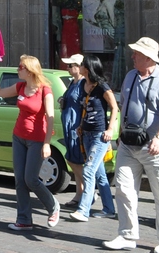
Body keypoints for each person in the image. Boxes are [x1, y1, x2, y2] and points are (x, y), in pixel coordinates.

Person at [104, 36, 159, 253]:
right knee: (124, 189)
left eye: (136, 53)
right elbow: (123, 107)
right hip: (129, 144)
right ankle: (127, 235)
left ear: (148, 58)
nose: (132, 56)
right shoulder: (130, 76)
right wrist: (119, 133)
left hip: (157, 147)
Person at [0, 55, 61, 231]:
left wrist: (46, 143)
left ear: (30, 70)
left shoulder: (45, 90)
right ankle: (24, 220)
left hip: (37, 139)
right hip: (18, 137)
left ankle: (53, 206)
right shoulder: (20, 86)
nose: (17, 69)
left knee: (31, 179)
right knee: (20, 180)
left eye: (21, 67)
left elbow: (50, 118)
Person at [70, 54, 119, 222]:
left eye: (82, 64)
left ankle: (83, 210)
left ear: (88, 68)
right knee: (99, 175)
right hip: (86, 133)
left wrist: (110, 129)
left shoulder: (102, 86)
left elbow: (114, 107)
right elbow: (86, 108)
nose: (80, 66)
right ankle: (109, 209)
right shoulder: (84, 84)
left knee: (88, 170)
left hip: (100, 134)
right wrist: (81, 126)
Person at [59, 53, 87, 208]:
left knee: (76, 160)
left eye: (70, 65)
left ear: (79, 67)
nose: (67, 68)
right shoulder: (72, 83)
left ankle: (88, 191)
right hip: (68, 125)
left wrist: (81, 125)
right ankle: (79, 193)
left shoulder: (84, 84)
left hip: (76, 127)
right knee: (72, 159)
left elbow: (85, 106)